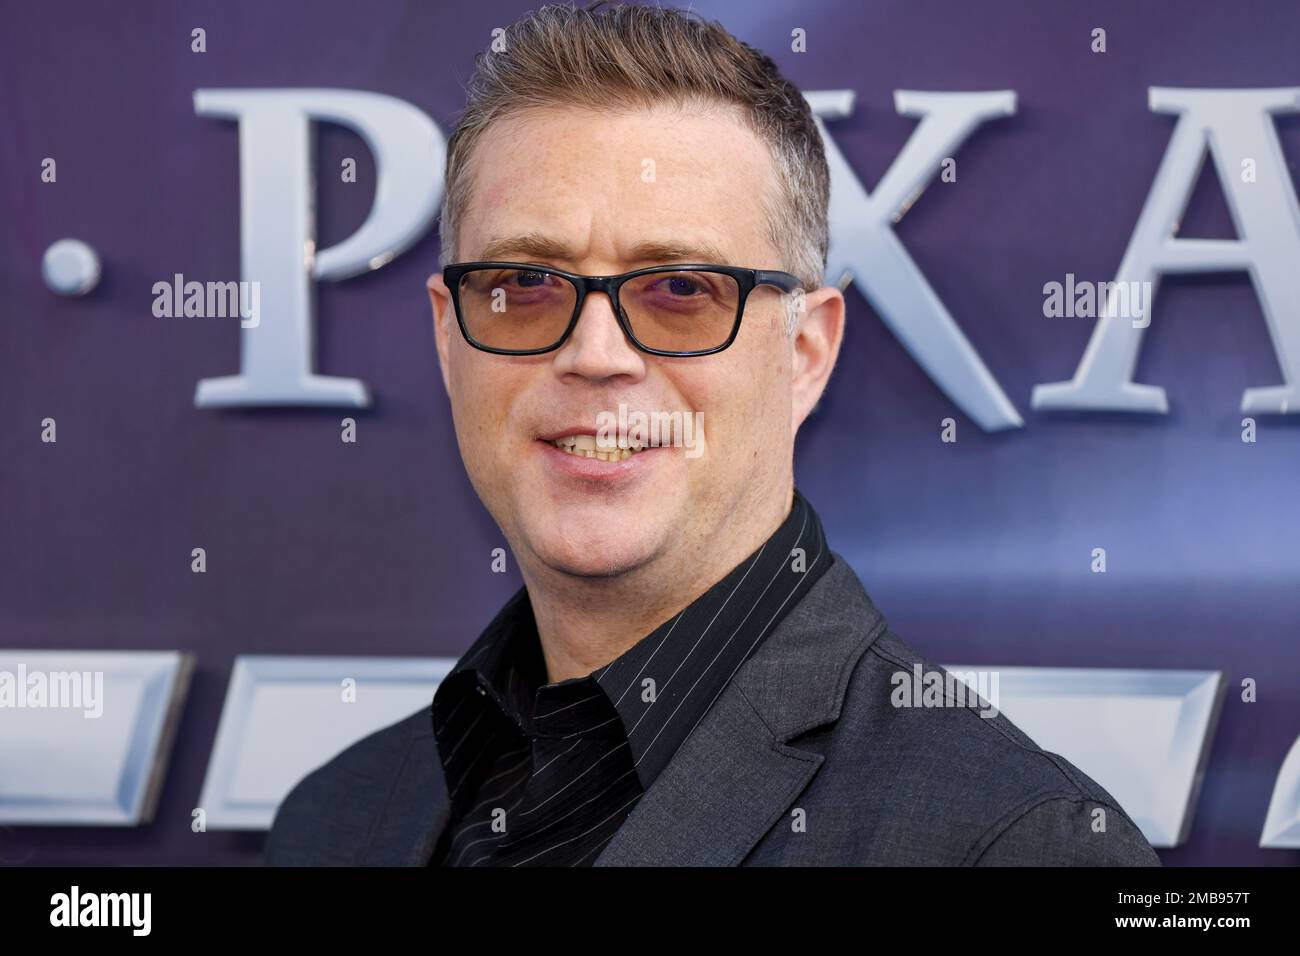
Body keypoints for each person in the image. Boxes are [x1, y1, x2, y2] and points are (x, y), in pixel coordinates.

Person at [266, 1, 1159, 866]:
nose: (595, 354)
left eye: (683, 290)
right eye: (526, 284)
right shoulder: (337, 816)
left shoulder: (1010, 843)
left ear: (804, 352)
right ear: (448, 335)